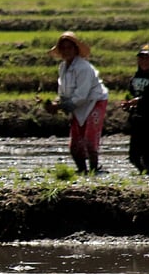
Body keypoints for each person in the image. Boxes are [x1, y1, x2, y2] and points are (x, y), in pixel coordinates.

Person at [44, 31, 109, 175]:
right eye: (63, 48)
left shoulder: (83, 68)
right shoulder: (62, 68)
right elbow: (63, 93)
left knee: (89, 139)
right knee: (75, 145)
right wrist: (55, 103)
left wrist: (59, 106)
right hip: (77, 104)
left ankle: (94, 169)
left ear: (76, 50)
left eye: (69, 48)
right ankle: (82, 170)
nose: (66, 51)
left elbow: (82, 95)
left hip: (94, 101)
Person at [120, 43, 149, 175]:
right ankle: (144, 174)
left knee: (147, 154)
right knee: (133, 156)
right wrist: (127, 104)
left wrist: (138, 101)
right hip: (136, 120)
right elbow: (131, 94)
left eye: (148, 58)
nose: (144, 61)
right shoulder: (135, 78)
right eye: (141, 58)